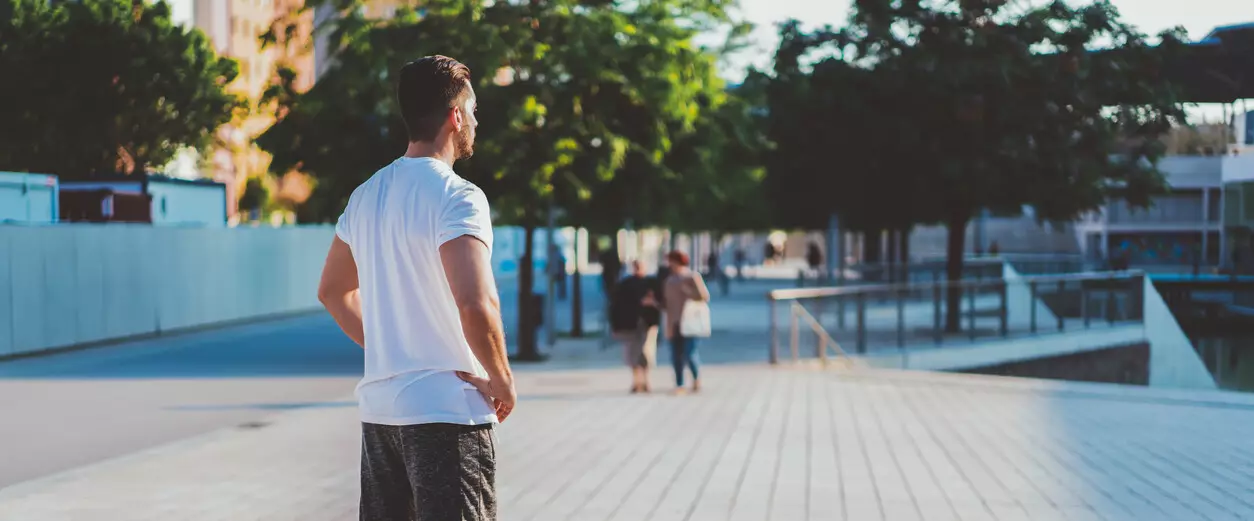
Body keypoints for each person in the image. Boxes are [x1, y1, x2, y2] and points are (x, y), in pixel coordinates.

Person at [317, 56, 514, 521]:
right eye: (474, 109)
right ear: (456, 116)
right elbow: (476, 301)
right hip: (447, 415)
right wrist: (502, 378)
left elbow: (332, 291)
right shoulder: (458, 196)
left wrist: (392, 347)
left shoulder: (365, 195)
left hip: (382, 415)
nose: (476, 120)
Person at [662, 250, 711, 394]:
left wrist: (688, 291)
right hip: (675, 323)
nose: (670, 264)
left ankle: (696, 378)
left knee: (689, 353)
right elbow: (668, 306)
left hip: (690, 321)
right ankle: (680, 384)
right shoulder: (669, 281)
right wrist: (668, 327)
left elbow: (704, 296)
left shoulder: (692, 277)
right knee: (676, 355)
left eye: (672, 261)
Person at [610, 260, 660, 393]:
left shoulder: (652, 283)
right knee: (632, 353)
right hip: (630, 324)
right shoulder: (625, 284)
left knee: (646, 352)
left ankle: (645, 380)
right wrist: (615, 326)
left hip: (649, 323)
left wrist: (653, 303)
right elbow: (616, 306)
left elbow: (661, 302)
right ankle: (636, 381)